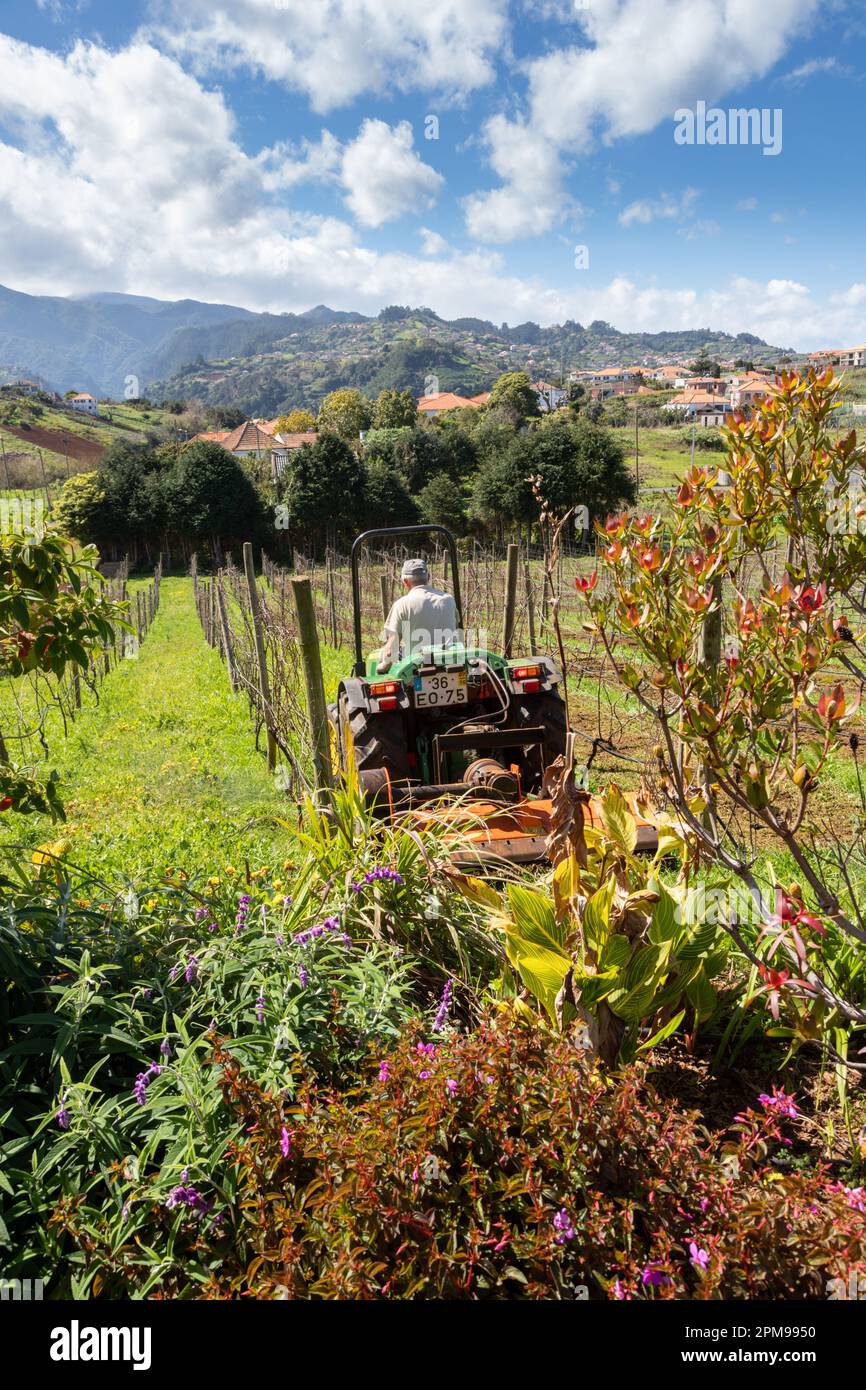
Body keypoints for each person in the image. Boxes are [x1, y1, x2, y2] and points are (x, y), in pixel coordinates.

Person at [376, 558, 461, 673]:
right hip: (450, 664)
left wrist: (382, 666)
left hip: (417, 669)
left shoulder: (402, 605)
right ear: (428, 577)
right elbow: (456, 629)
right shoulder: (448, 599)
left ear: (405, 582)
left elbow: (392, 646)